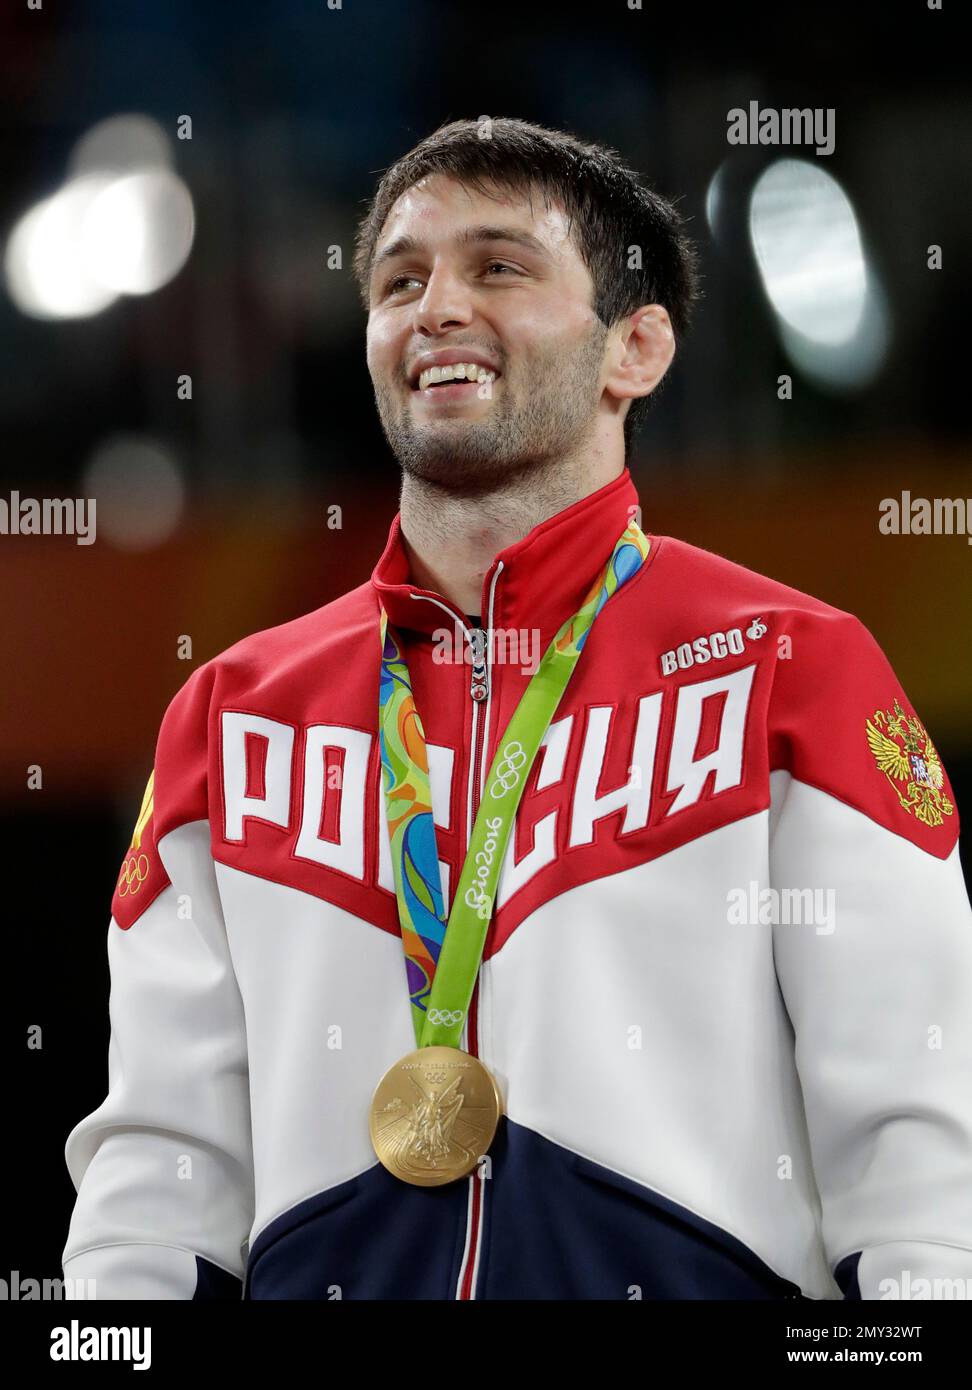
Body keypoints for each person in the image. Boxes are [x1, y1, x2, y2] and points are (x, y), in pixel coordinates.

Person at [62, 117, 972, 1301]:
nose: (435, 307)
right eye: (401, 280)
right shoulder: (232, 715)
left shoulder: (789, 667)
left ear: (634, 348)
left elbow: (918, 1134)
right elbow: (157, 1175)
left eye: (498, 265)